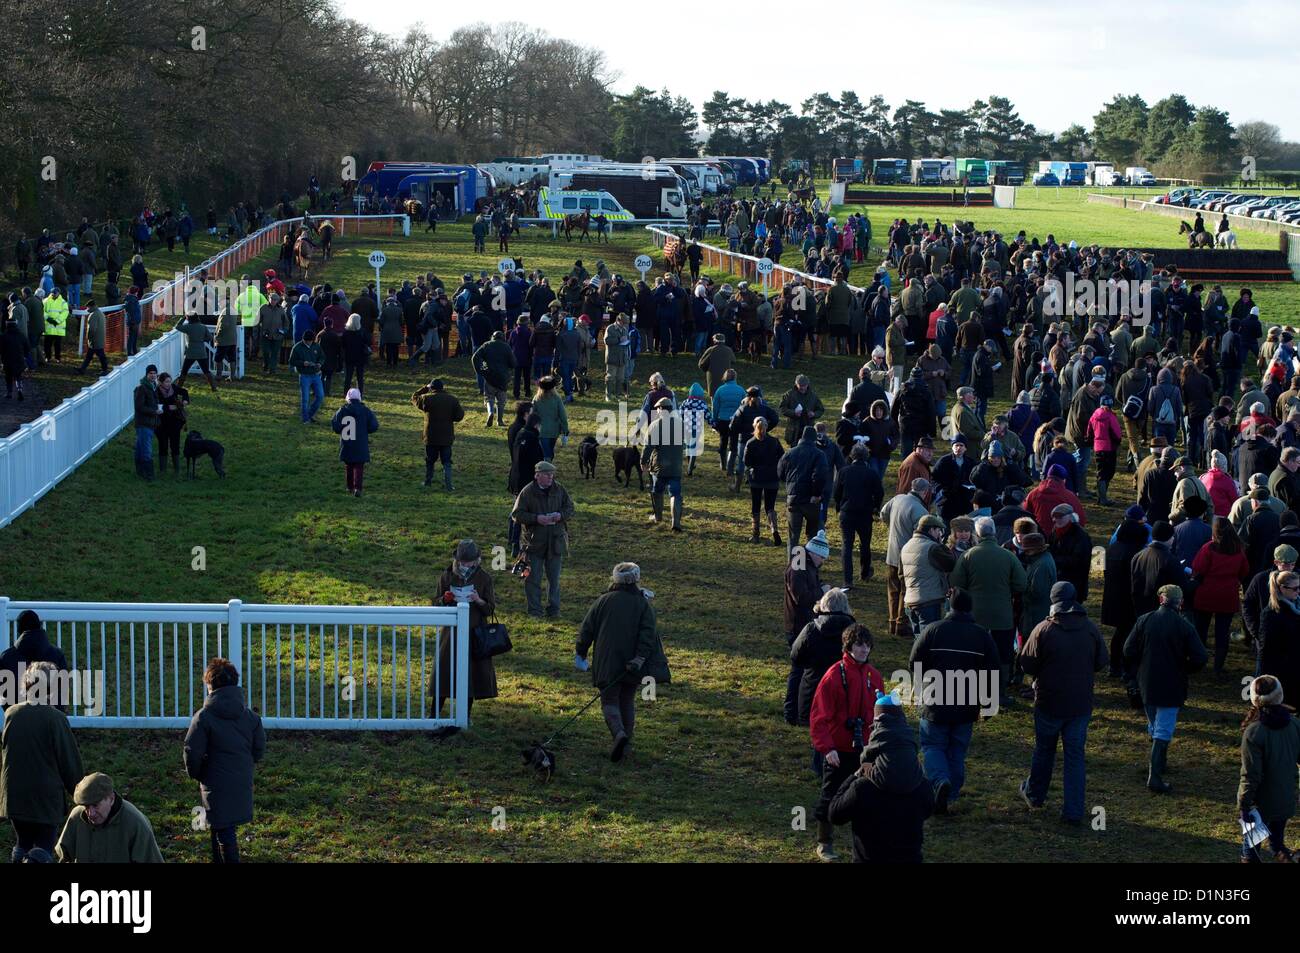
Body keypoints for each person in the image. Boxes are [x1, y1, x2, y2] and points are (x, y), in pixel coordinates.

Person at [1018, 581, 1109, 825]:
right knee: (1075, 757)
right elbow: (1102, 661)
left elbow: (1026, 663)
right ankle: (1074, 811)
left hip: (1049, 701)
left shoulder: (1043, 629)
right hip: (1080, 704)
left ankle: (1035, 795)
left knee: (1044, 750)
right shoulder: (1089, 628)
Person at [909, 589, 1000, 813]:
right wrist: (989, 704)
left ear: (950, 606)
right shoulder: (982, 636)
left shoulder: (932, 630)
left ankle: (940, 781)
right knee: (957, 749)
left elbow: (915, 662)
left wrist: (920, 688)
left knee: (932, 745)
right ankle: (951, 793)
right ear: (970, 609)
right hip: (966, 704)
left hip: (935, 701)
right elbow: (992, 671)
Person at [576, 562, 670, 761]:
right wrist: (640, 658)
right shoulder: (643, 604)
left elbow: (586, 630)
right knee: (627, 701)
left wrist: (581, 653)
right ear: (635, 579)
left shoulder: (603, 601)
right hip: (633, 663)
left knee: (609, 701)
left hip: (607, 660)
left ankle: (618, 734)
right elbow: (648, 635)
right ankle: (626, 745)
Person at [805, 621, 883, 861]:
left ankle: (862, 845)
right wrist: (827, 748)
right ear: (848, 646)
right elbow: (819, 715)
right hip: (838, 749)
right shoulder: (833, 676)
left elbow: (881, 713)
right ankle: (824, 842)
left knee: (867, 798)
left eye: (867, 645)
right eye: (859, 645)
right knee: (830, 795)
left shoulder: (874, 676)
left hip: (866, 750)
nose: (864, 650)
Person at [827, 691, 934, 863]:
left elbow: (835, 814)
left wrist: (855, 775)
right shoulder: (923, 786)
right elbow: (928, 810)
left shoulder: (862, 787)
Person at [1124, 585, 1209, 794]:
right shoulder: (1184, 626)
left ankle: (1159, 764)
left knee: (1154, 725)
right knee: (1163, 729)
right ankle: (1155, 775)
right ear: (1179, 603)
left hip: (1147, 682)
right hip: (1172, 685)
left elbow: (1128, 650)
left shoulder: (1144, 620)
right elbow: (1200, 657)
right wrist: (1185, 668)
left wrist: (1140, 667)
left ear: (1160, 599)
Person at [183, 657, 266, 863]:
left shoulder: (203, 718)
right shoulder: (251, 718)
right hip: (241, 779)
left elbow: (191, 751)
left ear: (209, 685)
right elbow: (259, 749)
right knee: (221, 824)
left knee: (224, 831)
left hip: (214, 781)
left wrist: (197, 773)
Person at [0, 661, 83, 862]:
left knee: (23, 843)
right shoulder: (55, 719)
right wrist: (81, 792)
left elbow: (6, 752)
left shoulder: (12, 713)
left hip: (15, 795)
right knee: (45, 847)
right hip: (45, 798)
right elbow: (69, 761)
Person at [951, 517, 1028, 694]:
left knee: (974, 650)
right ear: (993, 532)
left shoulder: (968, 555)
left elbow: (956, 582)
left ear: (977, 533)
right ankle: (999, 691)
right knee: (1002, 653)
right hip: (1002, 614)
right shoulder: (1008, 555)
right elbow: (1021, 584)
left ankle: (973, 688)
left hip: (974, 614)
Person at [432, 540, 498, 721]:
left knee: (471, 674)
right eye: (463, 561)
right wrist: (445, 599)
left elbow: (490, 609)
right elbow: (435, 603)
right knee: (444, 673)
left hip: (474, 632)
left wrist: (478, 600)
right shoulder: (447, 575)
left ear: (476, 560)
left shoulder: (484, 578)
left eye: (469, 562)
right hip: (450, 632)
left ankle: (465, 716)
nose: (466, 565)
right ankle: (433, 714)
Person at [1237, 675, 1300, 862]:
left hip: (1259, 806)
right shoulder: (1296, 725)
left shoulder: (1254, 732)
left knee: (1251, 854)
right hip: (1285, 799)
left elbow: (1251, 775)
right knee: (1277, 845)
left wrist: (1244, 805)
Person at [55, 772, 164, 863]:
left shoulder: (135, 823)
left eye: (95, 805)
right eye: (86, 806)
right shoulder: (77, 817)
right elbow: (64, 855)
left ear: (111, 799)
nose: (91, 813)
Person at [512, 461, 574, 618]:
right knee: (532, 580)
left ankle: (554, 610)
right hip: (534, 544)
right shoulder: (527, 492)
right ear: (537, 475)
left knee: (554, 580)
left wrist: (561, 515)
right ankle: (535, 611)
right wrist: (536, 518)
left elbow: (570, 508)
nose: (550, 478)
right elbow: (516, 515)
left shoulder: (559, 489)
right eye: (547, 475)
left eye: (552, 475)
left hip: (555, 543)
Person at [1191, 517, 1252, 676]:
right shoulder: (1238, 549)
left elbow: (1198, 568)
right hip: (1227, 596)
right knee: (1222, 633)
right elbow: (1244, 571)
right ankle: (1218, 667)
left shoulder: (1209, 548)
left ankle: (1198, 661)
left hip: (1206, 594)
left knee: (1201, 630)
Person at [881, 478, 933, 639]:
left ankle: (891, 622)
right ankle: (901, 624)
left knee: (892, 590)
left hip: (892, 553)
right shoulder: (921, 512)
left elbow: (883, 513)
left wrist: (893, 529)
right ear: (925, 492)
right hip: (908, 558)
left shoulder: (897, 499)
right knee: (905, 590)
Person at [833, 444, 884, 587]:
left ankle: (847, 579)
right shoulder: (871, 473)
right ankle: (865, 572)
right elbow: (879, 493)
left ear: (851, 456)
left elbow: (836, 492)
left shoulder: (843, 472)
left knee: (846, 545)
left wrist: (839, 506)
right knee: (865, 544)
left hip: (847, 512)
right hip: (865, 513)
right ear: (866, 456)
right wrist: (875, 507)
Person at [900, 515, 957, 633]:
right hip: (929, 602)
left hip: (909, 601)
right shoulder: (933, 548)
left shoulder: (906, 546)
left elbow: (900, 574)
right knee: (929, 640)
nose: (940, 534)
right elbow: (950, 564)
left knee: (918, 640)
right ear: (932, 530)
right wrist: (942, 545)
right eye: (938, 531)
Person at [777, 425, 831, 551]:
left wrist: (790, 484)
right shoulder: (819, 454)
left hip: (793, 498)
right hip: (811, 501)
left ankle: (794, 567)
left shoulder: (789, 453)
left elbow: (780, 473)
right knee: (813, 534)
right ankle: (809, 565)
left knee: (793, 536)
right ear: (814, 439)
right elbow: (820, 476)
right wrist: (816, 494)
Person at [411, 378, 465, 490]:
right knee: (447, 461)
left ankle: (428, 482)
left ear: (431, 388)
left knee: (430, 460)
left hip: (431, 437)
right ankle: (449, 485)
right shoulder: (452, 400)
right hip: (446, 437)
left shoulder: (426, 399)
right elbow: (459, 416)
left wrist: (424, 389)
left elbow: (414, 397)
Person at [643, 397, 686, 532]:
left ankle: (658, 517)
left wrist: (643, 461)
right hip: (676, 465)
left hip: (659, 466)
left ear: (661, 409)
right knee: (675, 493)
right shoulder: (680, 424)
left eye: (658, 409)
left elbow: (648, 447)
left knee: (657, 491)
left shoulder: (654, 425)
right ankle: (676, 522)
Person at [1258, 571, 1300, 699]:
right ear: (1282, 588)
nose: (1298, 591)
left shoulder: (1296, 607)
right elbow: (1266, 649)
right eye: (1295, 588)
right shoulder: (1271, 613)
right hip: (1284, 671)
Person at [331, 387, 379, 498]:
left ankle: (349, 487)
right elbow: (374, 426)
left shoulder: (342, 410)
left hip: (347, 442)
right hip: (360, 443)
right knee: (359, 465)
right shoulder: (366, 410)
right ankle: (357, 487)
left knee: (349, 464)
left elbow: (336, 426)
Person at [1048, 503, 1093, 604]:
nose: (1055, 520)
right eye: (1053, 517)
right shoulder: (1055, 531)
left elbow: (1079, 561)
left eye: (1059, 517)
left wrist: (1053, 560)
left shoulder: (1080, 536)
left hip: (1075, 582)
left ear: (1070, 517)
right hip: (1058, 579)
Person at [472, 330, 516, 427]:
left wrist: (481, 370)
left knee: (489, 397)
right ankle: (499, 420)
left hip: (490, 375)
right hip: (503, 377)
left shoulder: (487, 345)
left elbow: (475, 357)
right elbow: (513, 363)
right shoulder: (506, 347)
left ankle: (490, 412)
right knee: (501, 400)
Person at [132, 363, 164, 481]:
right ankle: (149, 474)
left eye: (155, 373)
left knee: (140, 447)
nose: (153, 375)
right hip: (143, 423)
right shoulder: (142, 388)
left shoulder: (153, 386)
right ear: (146, 374)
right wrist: (154, 411)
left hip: (150, 422)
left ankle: (140, 471)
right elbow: (139, 407)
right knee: (146, 449)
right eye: (151, 373)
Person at [289, 328, 325, 423]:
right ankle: (305, 419)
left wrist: (320, 364)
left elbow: (322, 357)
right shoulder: (297, 347)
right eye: (307, 341)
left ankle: (309, 415)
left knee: (320, 396)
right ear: (303, 339)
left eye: (310, 341)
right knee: (305, 398)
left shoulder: (316, 346)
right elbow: (291, 361)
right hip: (304, 375)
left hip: (315, 375)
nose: (308, 343)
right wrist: (302, 363)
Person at [177, 312, 218, 392]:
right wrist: (202, 340)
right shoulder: (203, 327)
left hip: (191, 352)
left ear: (189, 318)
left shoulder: (188, 327)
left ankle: (178, 387)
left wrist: (183, 318)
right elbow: (210, 338)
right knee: (206, 371)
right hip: (201, 352)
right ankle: (214, 387)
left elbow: (178, 327)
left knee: (184, 371)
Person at [531, 376, 569, 461]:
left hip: (540, 430)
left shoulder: (536, 399)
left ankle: (545, 470)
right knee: (549, 452)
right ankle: (547, 470)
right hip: (554, 430)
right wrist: (565, 430)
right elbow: (563, 416)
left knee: (546, 453)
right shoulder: (557, 398)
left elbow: (531, 414)